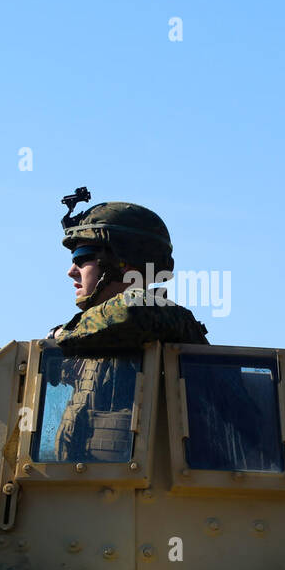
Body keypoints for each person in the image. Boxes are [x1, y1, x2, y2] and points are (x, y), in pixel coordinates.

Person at [47, 196, 208, 462]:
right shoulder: (95, 341)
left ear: (124, 263)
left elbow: (132, 310)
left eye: (81, 257)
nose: (71, 271)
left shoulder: (163, 317)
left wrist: (60, 337)